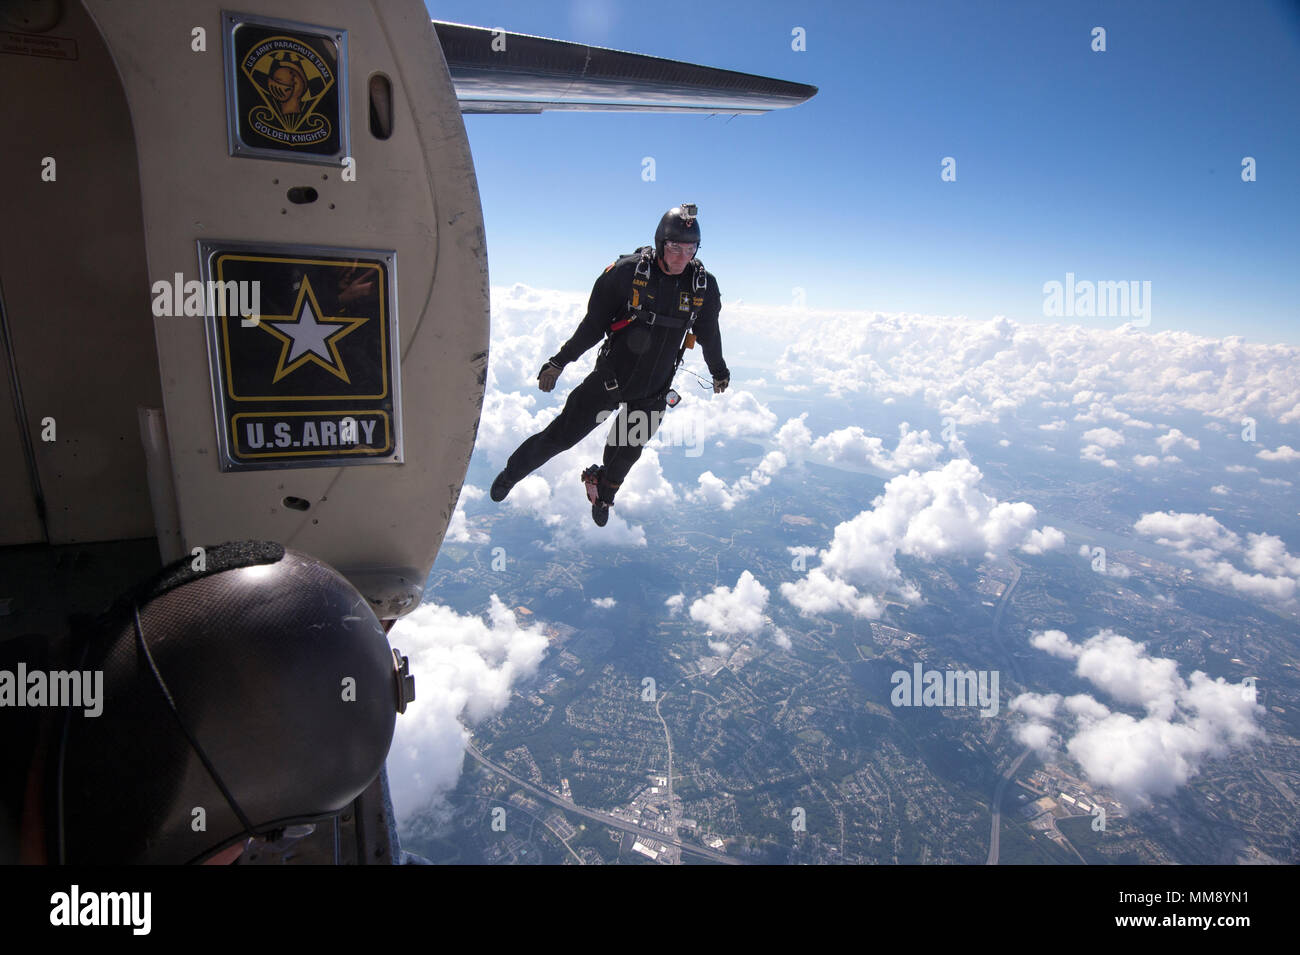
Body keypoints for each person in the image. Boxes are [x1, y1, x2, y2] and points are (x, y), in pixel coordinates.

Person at [490, 204, 730, 526]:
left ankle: (602, 496)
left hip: (652, 392)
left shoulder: (702, 287)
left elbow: (709, 334)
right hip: (610, 382)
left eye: (690, 249)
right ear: (661, 243)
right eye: (674, 247)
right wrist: (559, 361)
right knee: (560, 437)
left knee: (625, 455)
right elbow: (593, 325)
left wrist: (719, 370)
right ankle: (512, 473)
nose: (681, 257)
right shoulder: (626, 274)